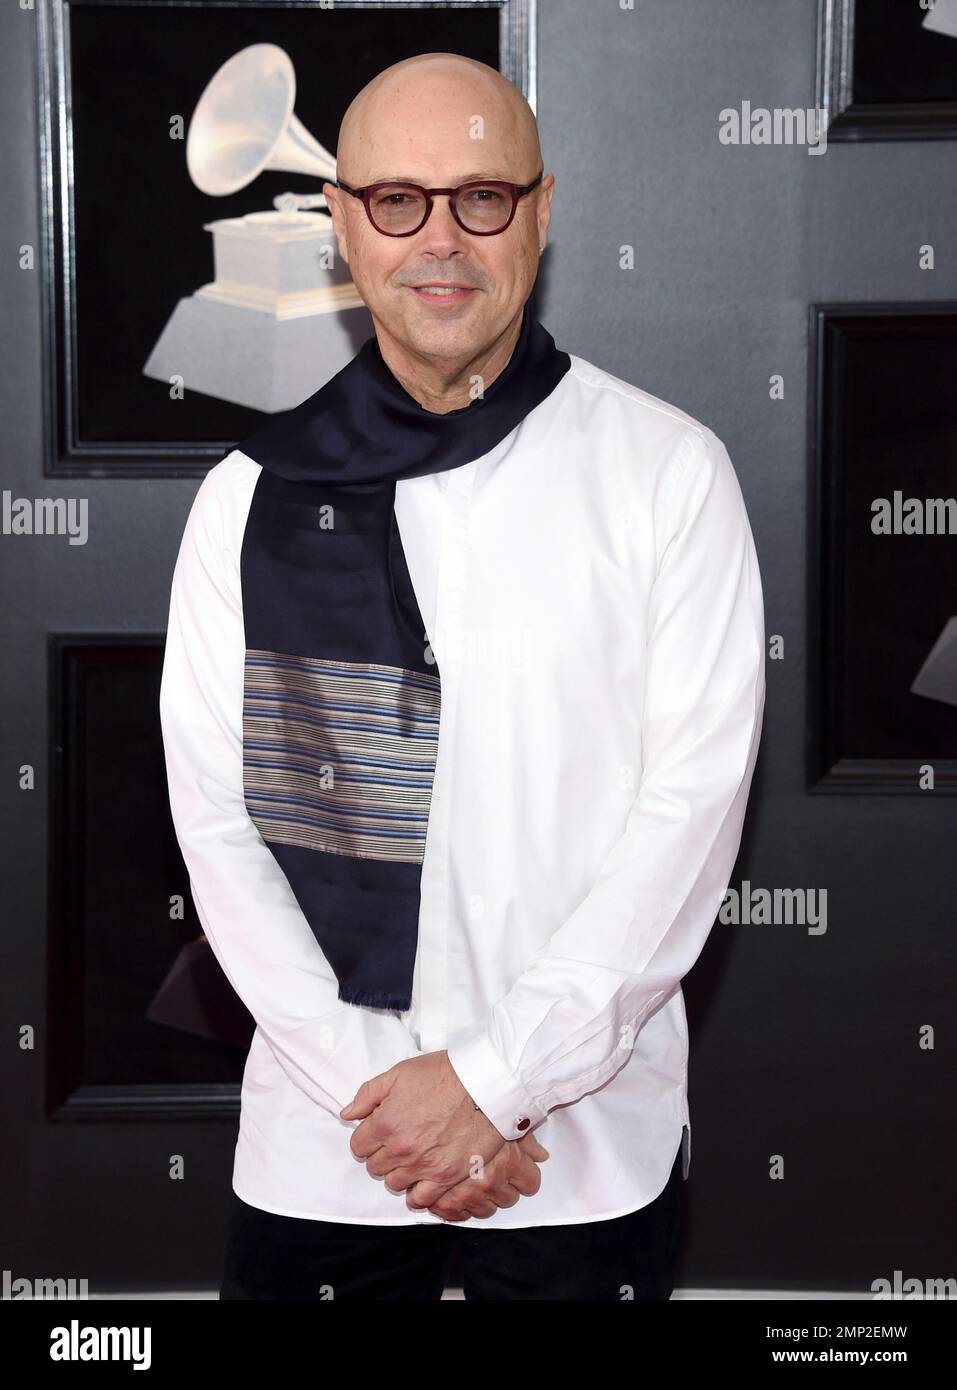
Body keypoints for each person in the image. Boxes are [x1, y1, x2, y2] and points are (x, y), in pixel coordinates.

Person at [159, 51, 766, 1301]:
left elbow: (687, 820)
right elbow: (217, 827)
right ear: (342, 225)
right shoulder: (242, 501)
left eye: (482, 197)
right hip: (326, 1152)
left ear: (542, 212)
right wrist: (390, 1103)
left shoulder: (669, 473)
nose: (441, 238)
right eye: (399, 200)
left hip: (581, 1159)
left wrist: (494, 1086)